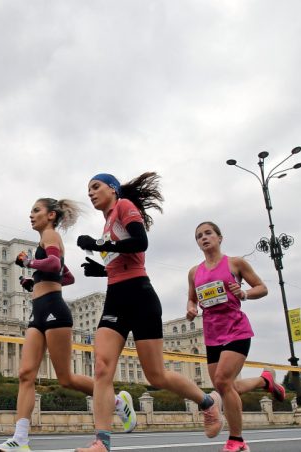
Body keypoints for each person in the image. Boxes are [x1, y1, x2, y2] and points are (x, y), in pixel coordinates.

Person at [75, 172, 223, 452]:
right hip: (115, 299)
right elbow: (123, 257)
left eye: (96, 187)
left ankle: (208, 403)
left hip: (140, 297)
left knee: (156, 376)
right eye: (88, 190)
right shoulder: (107, 221)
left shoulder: (124, 206)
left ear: (113, 189)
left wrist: (98, 245)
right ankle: (102, 443)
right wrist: (101, 269)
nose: (91, 193)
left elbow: (140, 243)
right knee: (102, 368)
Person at [0, 198, 136, 452]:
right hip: (38, 312)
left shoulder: (51, 235)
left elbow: (55, 265)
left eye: (36, 210)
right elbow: (65, 276)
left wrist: (28, 264)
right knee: (26, 374)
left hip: (55, 311)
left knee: (66, 378)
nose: (31, 215)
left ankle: (117, 402)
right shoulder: (44, 241)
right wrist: (33, 282)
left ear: (51, 215)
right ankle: (20, 439)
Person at [187, 221, 286, 452]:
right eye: (199, 236)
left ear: (220, 238)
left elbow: (262, 287)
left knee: (222, 381)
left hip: (236, 329)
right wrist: (191, 308)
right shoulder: (194, 272)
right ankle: (265, 381)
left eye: (208, 233)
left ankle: (237, 440)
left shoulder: (235, 263)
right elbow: (192, 299)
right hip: (212, 334)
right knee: (225, 387)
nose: (204, 238)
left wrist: (244, 293)